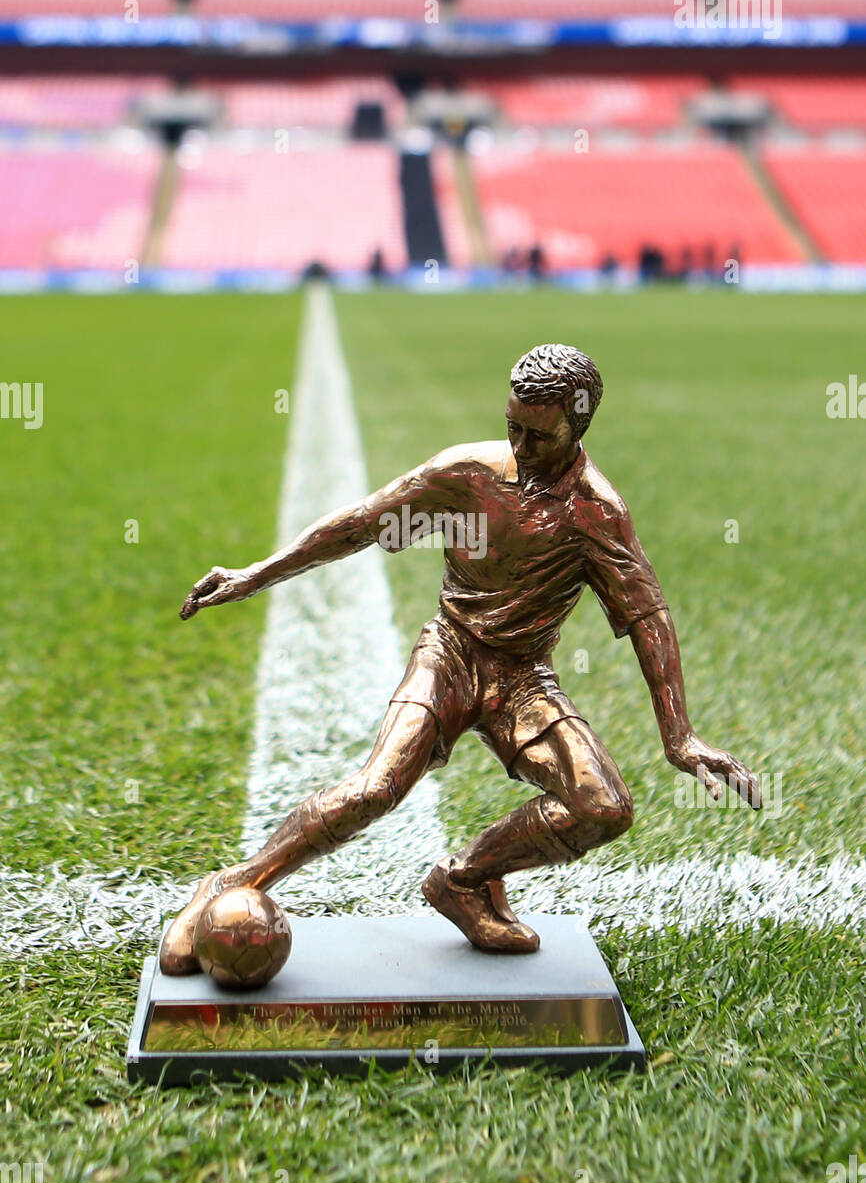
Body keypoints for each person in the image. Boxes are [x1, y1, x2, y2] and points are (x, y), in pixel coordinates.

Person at [161, 343, 760, 970]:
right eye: (512, 428)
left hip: (523, 676)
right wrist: (256, 574)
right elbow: (363, 523)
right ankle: (232, 883)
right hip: (450, 652)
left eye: (538, 435)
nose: (521, 446)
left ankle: (465, 881)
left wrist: (680, 735)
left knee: (601, 807)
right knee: (377, 788)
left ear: (577, 424)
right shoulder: (469, 473)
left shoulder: (597, 514)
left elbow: (647, 616)